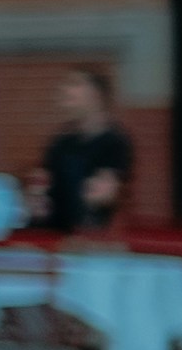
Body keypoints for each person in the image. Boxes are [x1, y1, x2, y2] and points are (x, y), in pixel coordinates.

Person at [40, 65, 137, 232]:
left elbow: (105, 197)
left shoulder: (114, 142)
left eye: (75, 83)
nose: (64, 90)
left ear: (96, 94)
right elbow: (45, 191)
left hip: (93, 245)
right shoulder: (61, 143)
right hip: (56, 241)